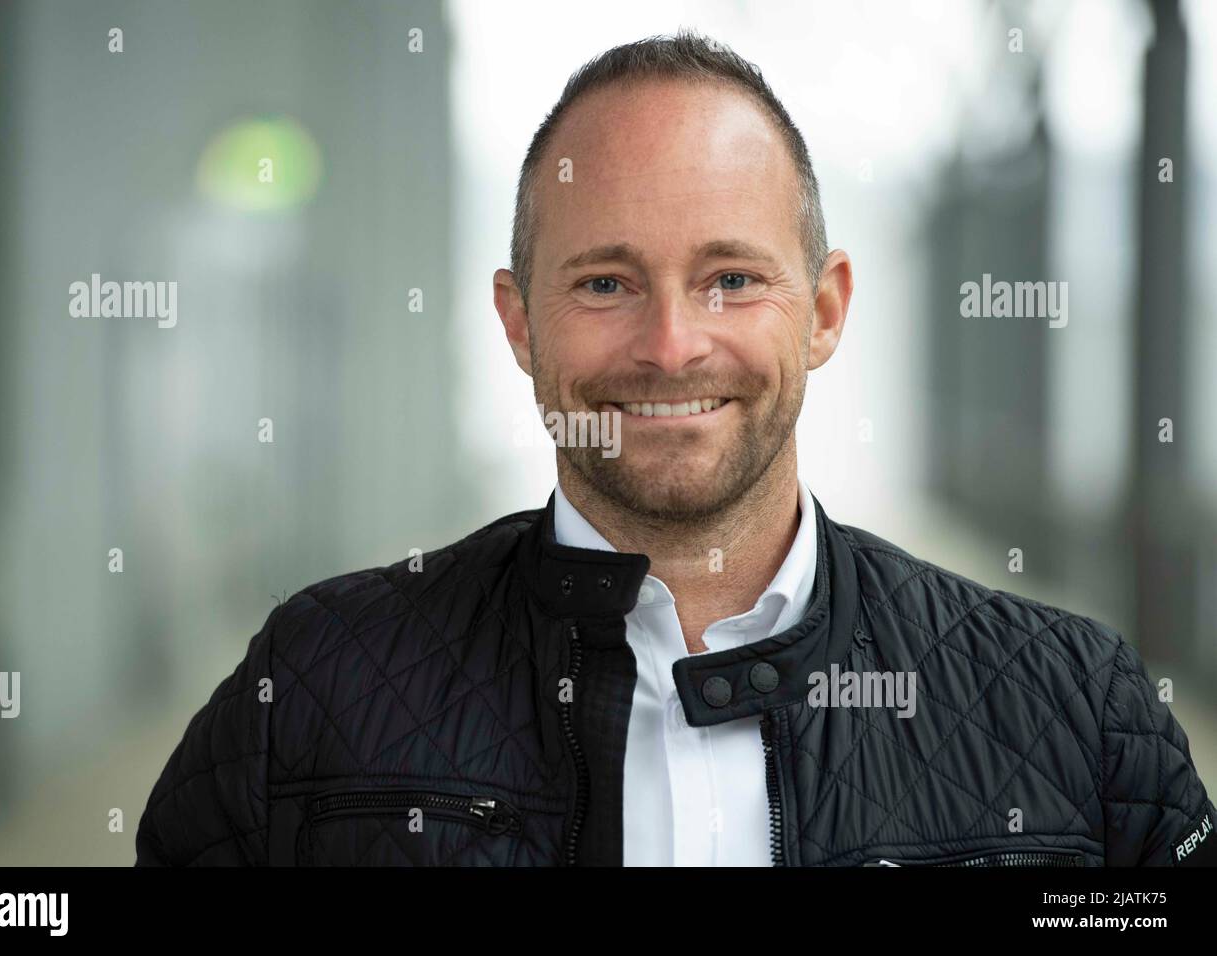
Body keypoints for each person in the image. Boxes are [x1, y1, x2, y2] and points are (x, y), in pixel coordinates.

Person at [135, 29, 1215, 867]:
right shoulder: (315, 685)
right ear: (518, 323)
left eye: (730, 279)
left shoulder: (1076, 708)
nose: (668, 345)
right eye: (605, 283)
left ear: (824, 311)